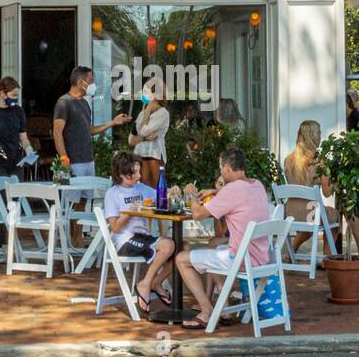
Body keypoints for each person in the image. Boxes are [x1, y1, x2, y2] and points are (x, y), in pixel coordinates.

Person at [176, 146, 271, 330]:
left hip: (241, 260)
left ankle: (206, 311)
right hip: (262, 259)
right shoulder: (257, 185)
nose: (221, 172)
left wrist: (193, 194)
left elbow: (197, 214)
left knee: (181, 259)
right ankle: (225, 307)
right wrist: (214, 191)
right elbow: (237, 198)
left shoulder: (232, 190)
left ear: (227, 168)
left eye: (221, 169)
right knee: (214, 250)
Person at [101, 152, 177, 314]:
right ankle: (147, 284)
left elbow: (163, 197)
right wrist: (128, 214)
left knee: (178, 249)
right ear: (122, 174)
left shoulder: (141, 188)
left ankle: (152, 283)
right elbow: (114, 228)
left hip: (144, 237)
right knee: (167, 247)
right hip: (125, 240)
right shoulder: (113, 194)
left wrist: (173, 192)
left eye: (138, 171)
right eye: (134, 173)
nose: (139, 176)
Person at [53, 66, 129, 181]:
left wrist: (113, 123)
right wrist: (64, 159)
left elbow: (88, 130)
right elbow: (57, 133)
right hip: (73, 161)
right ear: (80, 82)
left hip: (88, 160)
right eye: (91, 80)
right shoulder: (64, 103)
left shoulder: (84, 103)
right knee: (73, 198)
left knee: (86, 197)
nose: (93, 84)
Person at [282, 120, 338, 253]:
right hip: (311, 213)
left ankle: (292, 252)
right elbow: (327, 193)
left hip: (290, 212)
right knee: (335, 218)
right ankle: (327, 257)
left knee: (310, 223)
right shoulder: (319, 161)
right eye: (318, 133)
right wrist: (334, 181)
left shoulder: (288, 160)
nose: (320, 136)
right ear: (312, 136)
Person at [129, 78, 170, 191]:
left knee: (154, 192)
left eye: (146, 91)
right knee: (141, 192)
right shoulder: (142, 114)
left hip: (154, 157)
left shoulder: (163, 113)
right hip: (139, 156)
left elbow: (142, 131)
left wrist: (147, 111)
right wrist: (144, 138)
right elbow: (131, 139)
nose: (143, 94)